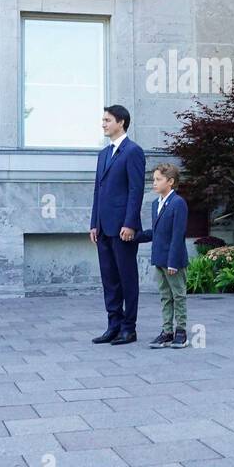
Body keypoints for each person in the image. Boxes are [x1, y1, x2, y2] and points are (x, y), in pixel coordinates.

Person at [89, 105, 146, 346]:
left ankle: (128, 328)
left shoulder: (133, 151)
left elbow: (136, 189)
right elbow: (97, 191)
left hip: (123, 229)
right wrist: (94, 223)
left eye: (107, 120)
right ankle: (113, 324)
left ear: (121, 122)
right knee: (109, 279)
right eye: (102, 120)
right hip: (103, 229)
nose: (103, 124)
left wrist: (130, 223)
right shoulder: (103, 154)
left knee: (126, 278)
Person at [135, 163, 190, 349]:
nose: (154, 183)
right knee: (165, 296)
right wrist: (135, 236)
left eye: (158, 179)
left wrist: (173, 262)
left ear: (171, 181)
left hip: (172, 260)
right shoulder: (155, 204)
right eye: (154, 179)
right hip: (159, 258)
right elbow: (157, 232)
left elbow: (177, 234)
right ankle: (167, 331)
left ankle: (181, 331)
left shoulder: (178, 203)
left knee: (178, 295)